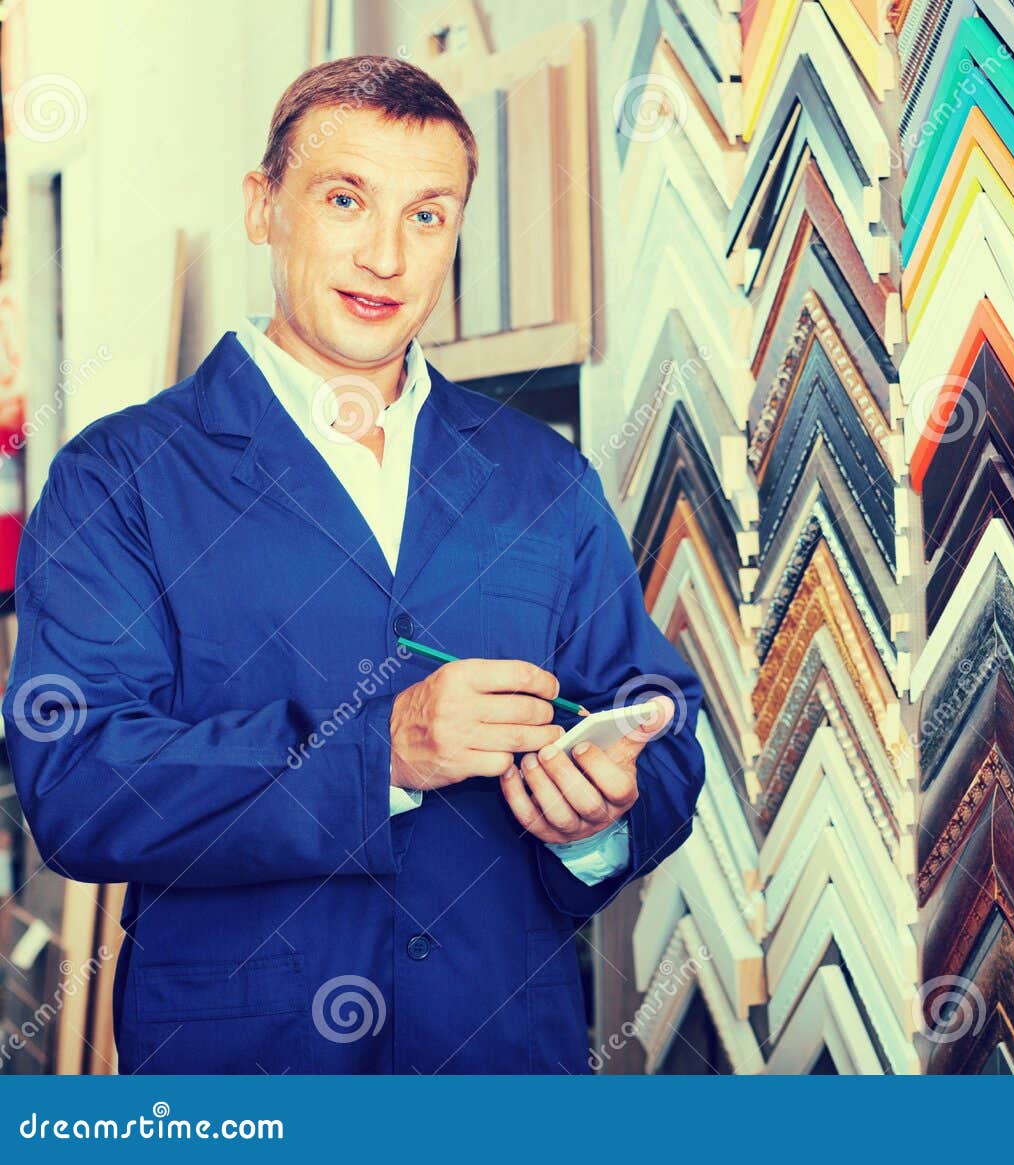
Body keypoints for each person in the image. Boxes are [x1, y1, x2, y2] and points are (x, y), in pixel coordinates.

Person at [1, 54, 705, 1073]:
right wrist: (380, 753)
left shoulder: (541, 478)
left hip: (501, 1056)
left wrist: (602, 812)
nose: (386, 255)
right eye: (345, 199)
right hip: (246, 1068)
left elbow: (661, 722)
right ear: (263, 207)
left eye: (427, 215)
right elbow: (76, 782)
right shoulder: (121, 475)